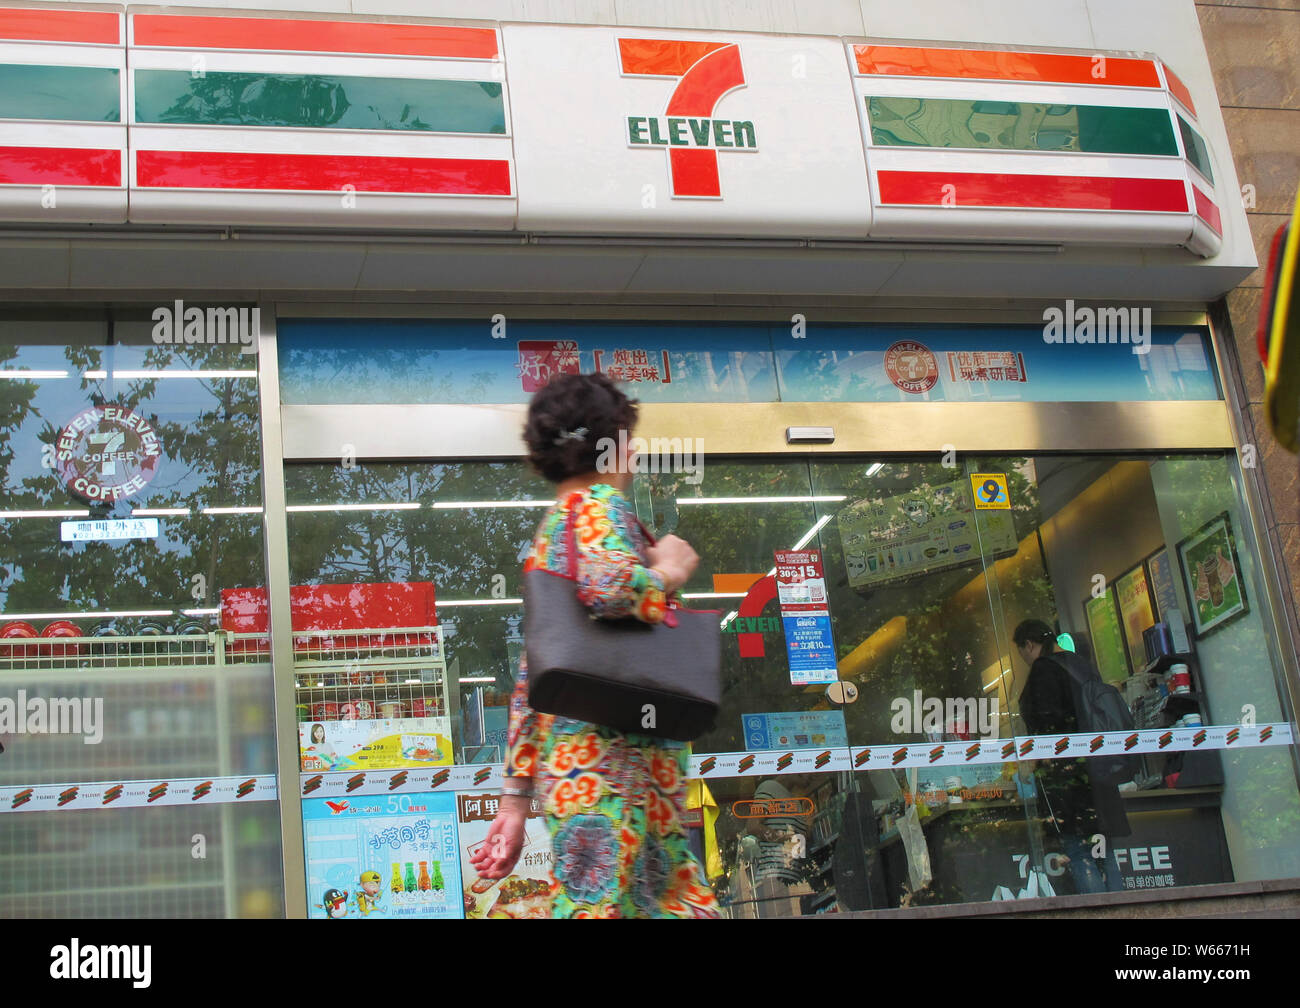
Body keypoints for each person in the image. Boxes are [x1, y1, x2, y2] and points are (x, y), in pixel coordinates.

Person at [469, 372, 720, 918]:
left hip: (581, 776)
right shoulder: (598, 506)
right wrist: (670, 570)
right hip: (619, 773)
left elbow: (530, 679)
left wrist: (515, 800)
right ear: (615, 443)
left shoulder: (552, 536)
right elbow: (613, 587)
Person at [1014, 619, 1131, 894]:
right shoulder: (1081, 665)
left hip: (1069, 784)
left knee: (1080, 855)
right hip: (1100, 777)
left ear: (1029, 645)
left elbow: (1047, 728)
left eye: (1022, 653)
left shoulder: (1044, 670)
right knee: (1105, 854)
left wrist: (1033, 761)